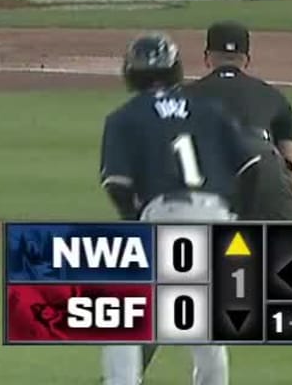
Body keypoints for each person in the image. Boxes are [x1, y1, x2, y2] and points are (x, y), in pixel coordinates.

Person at [161, 22, 292, 385]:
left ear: (207, 57)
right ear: (246, 60)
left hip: (209, 171)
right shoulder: (272, 96)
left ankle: (124, 376)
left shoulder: (182, 96)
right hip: (263, 167)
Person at [98, 32, 262, 385]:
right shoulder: (208, 109)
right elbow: (251, 167)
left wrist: (135, 222)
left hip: (167, 215)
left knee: (121, 314)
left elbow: (117, 184)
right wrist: (238, 217)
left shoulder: (124, 118)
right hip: (218, 216)